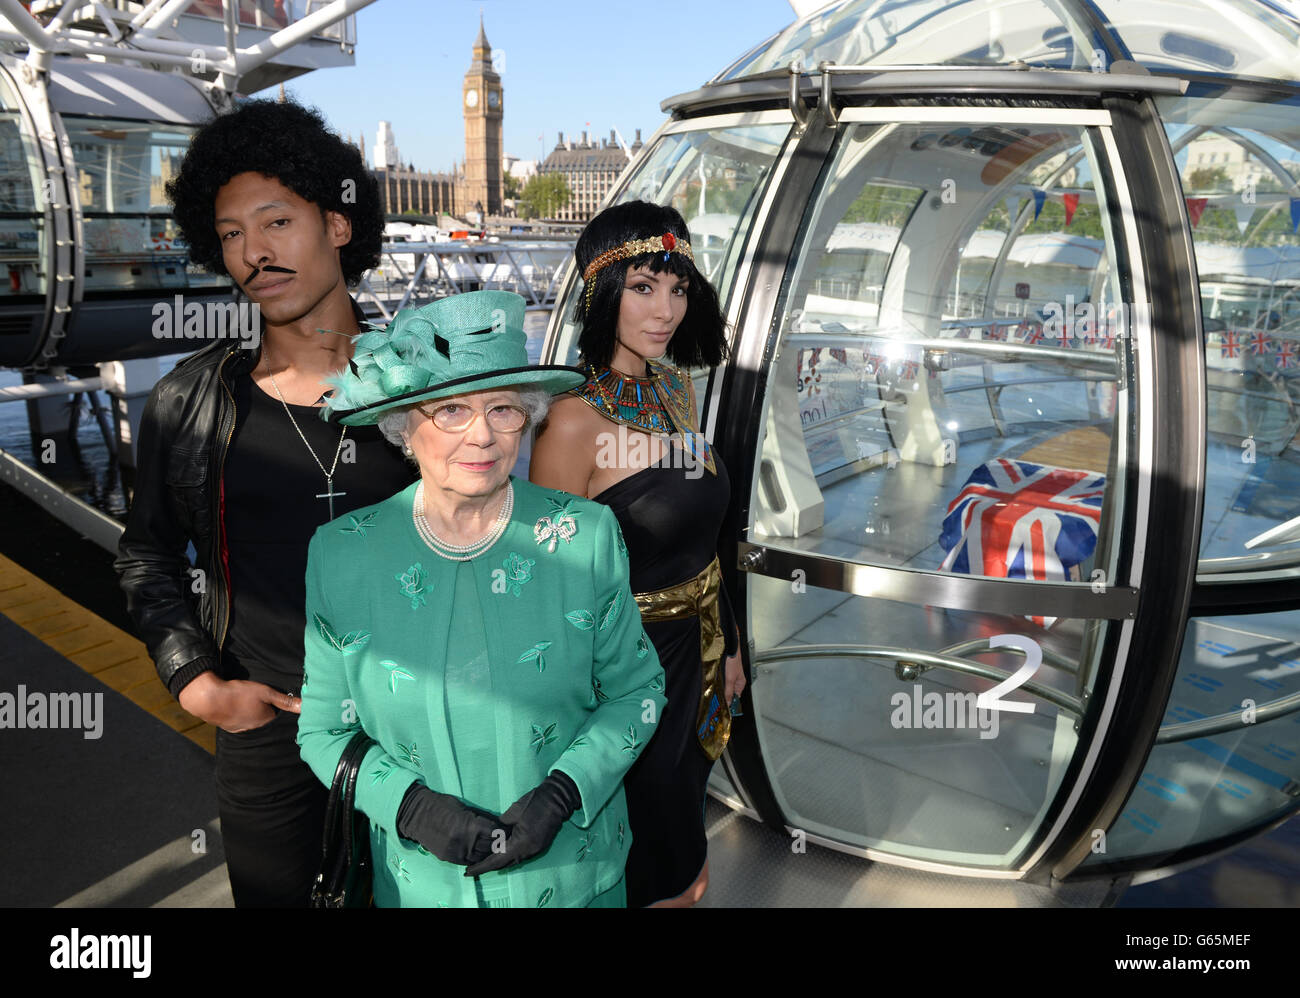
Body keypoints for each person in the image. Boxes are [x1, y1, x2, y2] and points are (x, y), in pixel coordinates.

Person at [114, 99, 413, 906]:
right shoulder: (190, 404)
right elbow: (146, 553)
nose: (253, 253)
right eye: (232, 234)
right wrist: (193, 681)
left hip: (418, 724)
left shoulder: (429, 392)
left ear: (339, 227)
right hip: (268, 734)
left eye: (276, 222)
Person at [298, 289, 666, 908]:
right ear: (404, 428)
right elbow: (323, 730)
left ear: (527, 416)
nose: (483, 436)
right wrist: (408, 806)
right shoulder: (342, 555)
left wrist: (565, 793)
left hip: (574, 879)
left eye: (503, 409)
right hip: (424, 888)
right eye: (449, 411)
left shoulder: (586, 535)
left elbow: (638, 693)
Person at [530, 200, 745, 908]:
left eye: (679, 288)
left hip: (703, 660)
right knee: (657, 867)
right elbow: (549, 586)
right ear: (601, 293)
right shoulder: (570, 422)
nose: (667, 310)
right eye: (644, 287)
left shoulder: (675, 390)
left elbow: (715, 537)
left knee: (689, 854)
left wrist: (733, 647)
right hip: (629, 682)